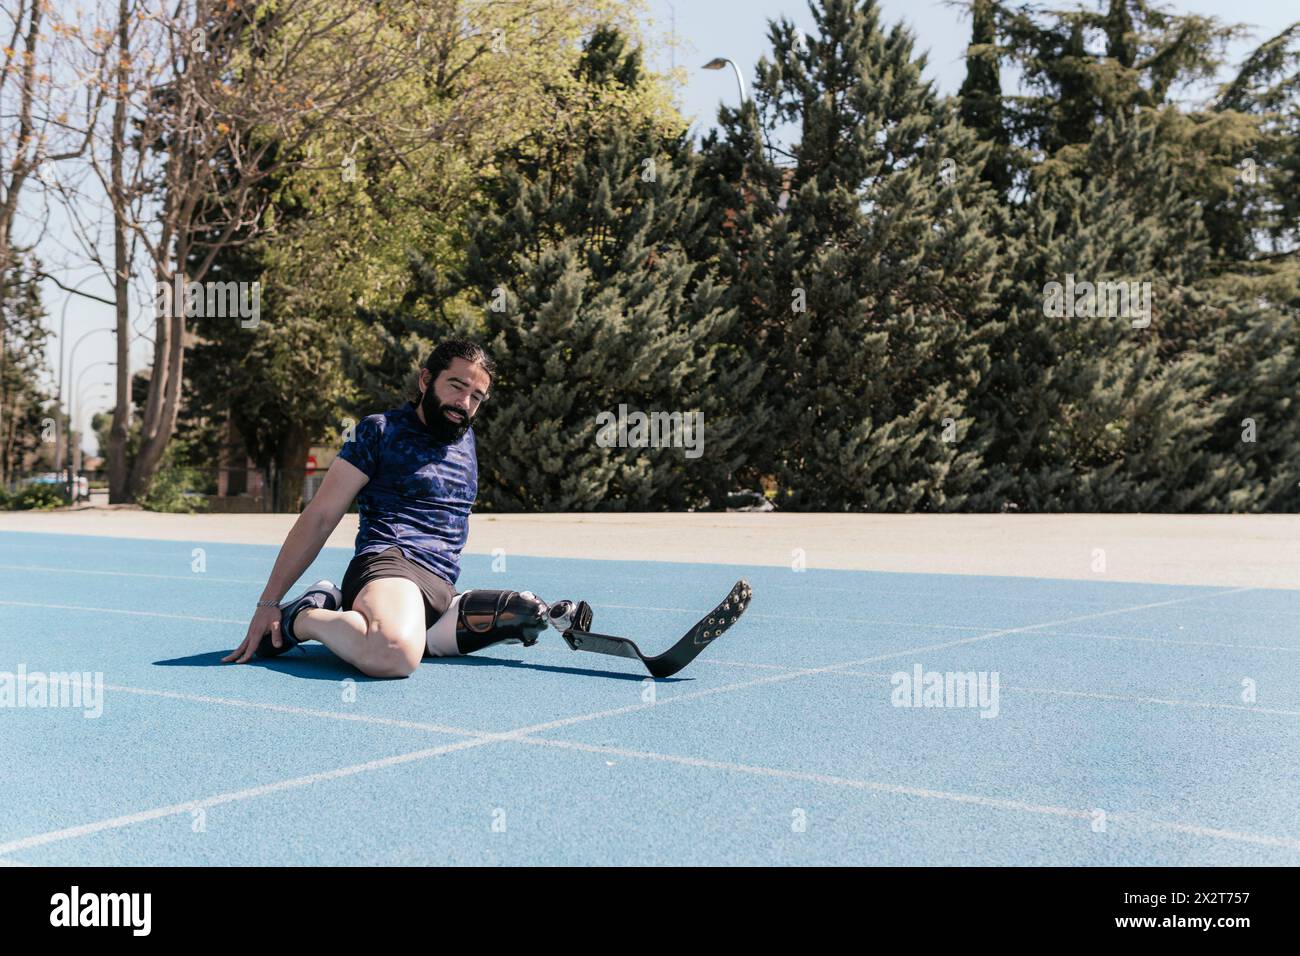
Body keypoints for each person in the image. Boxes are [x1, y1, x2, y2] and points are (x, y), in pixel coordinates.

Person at [221, 340, 587, 678]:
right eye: (456, 386)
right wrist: (269, 601)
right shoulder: (378, 431)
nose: (464, 404)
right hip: (390, 564)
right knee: (392, 655)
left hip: (441, 585)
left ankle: (408, 627)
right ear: (426, 380)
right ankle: (303, 616)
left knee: (528, 614)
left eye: (477, 396)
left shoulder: (466, 439)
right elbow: (320, 515)